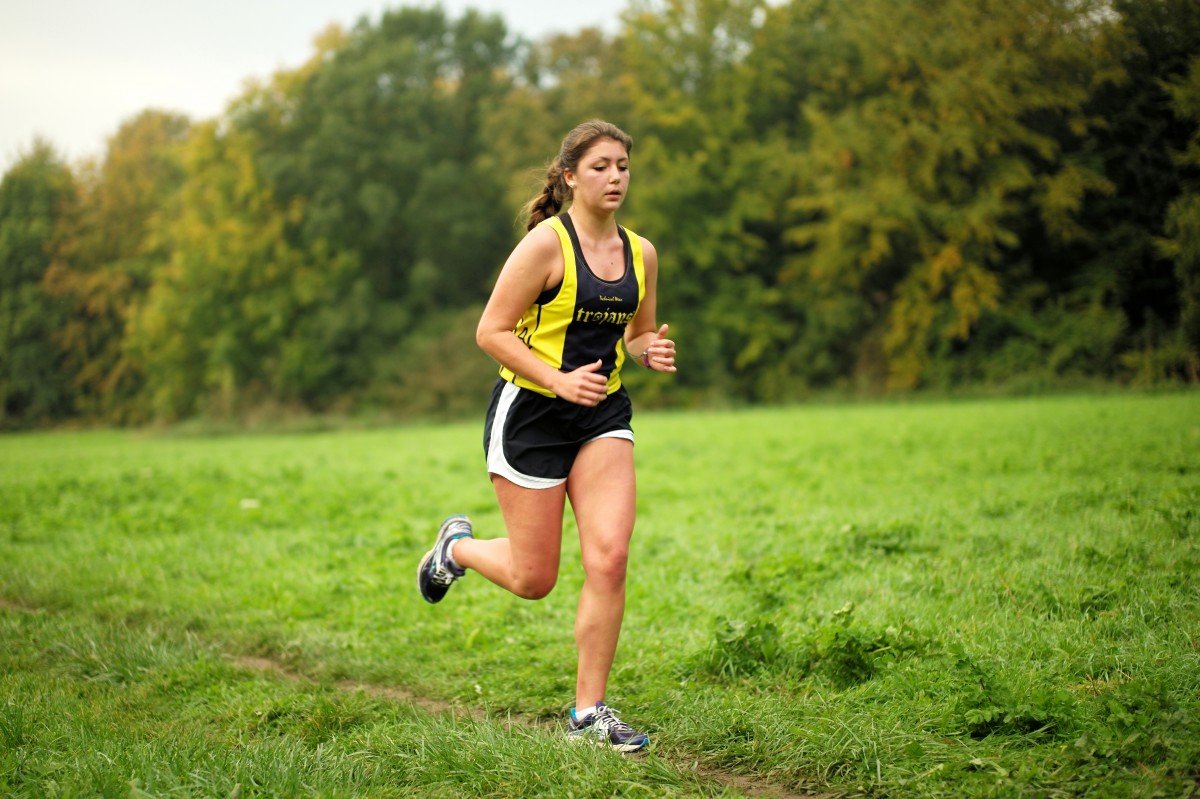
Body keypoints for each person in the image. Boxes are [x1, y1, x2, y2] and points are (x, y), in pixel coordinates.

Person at [417, 119, 676, 753]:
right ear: (569, 177)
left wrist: (649, 350)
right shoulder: (544, 247)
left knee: (610, 556)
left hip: (602, 416)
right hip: (531, 415)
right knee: (535, 579)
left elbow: (636, 330)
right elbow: (492, 332)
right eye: (600, 167)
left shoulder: (641, 252)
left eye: (622, 166)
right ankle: (457, 550)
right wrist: (558, 380)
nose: (615, 177)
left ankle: (590, 714)